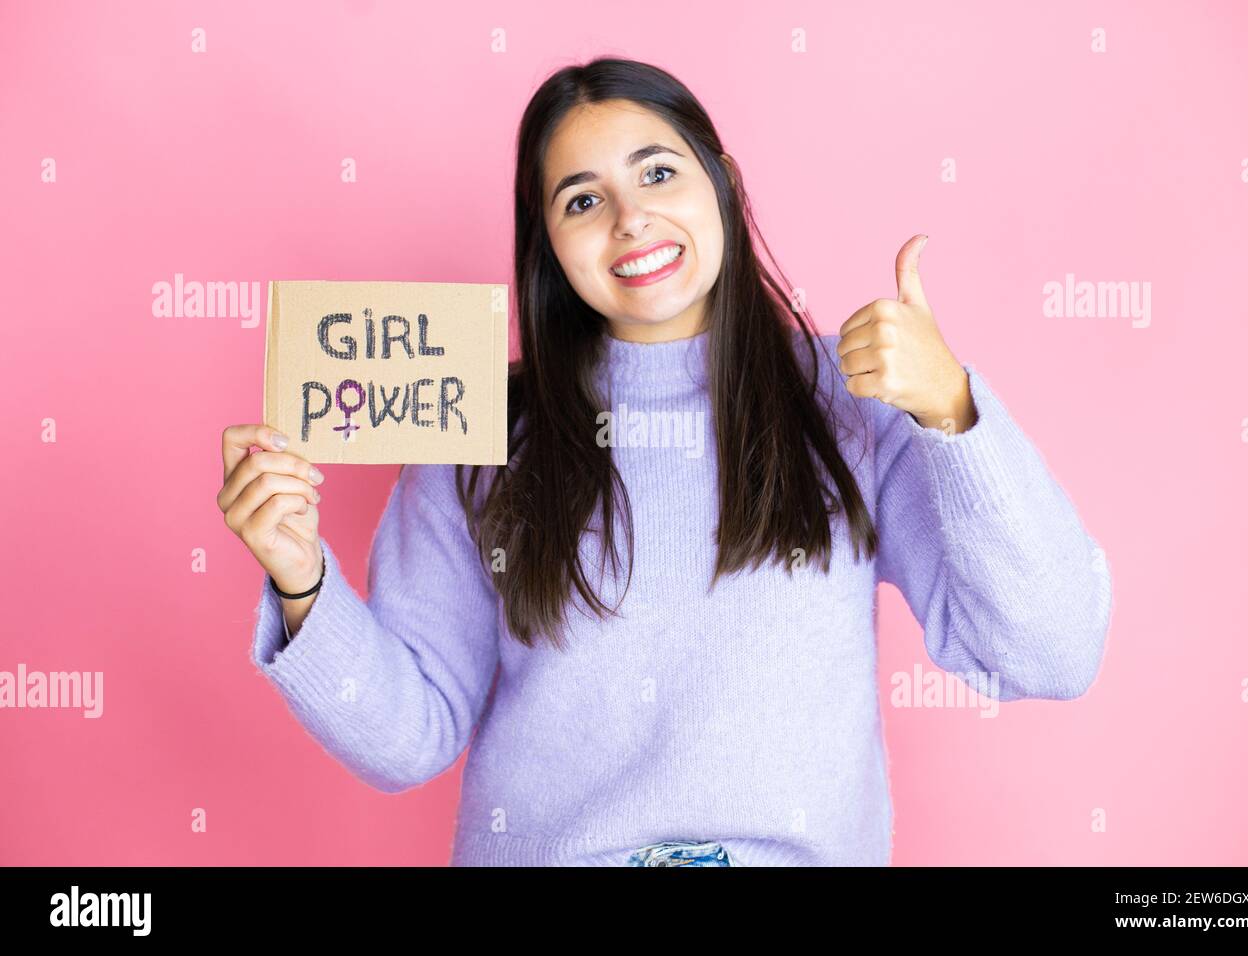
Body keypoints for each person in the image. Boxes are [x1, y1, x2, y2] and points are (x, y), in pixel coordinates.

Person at [216, 57, 1113, 867]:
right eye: (581, 199)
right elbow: (408, 739)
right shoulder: (479, 431)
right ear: (550, 246)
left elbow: (1050, 652)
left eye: (657, 172)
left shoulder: (857, 397)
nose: (630, 217)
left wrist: (956, 412)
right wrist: (303, 584)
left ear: (720, 184)